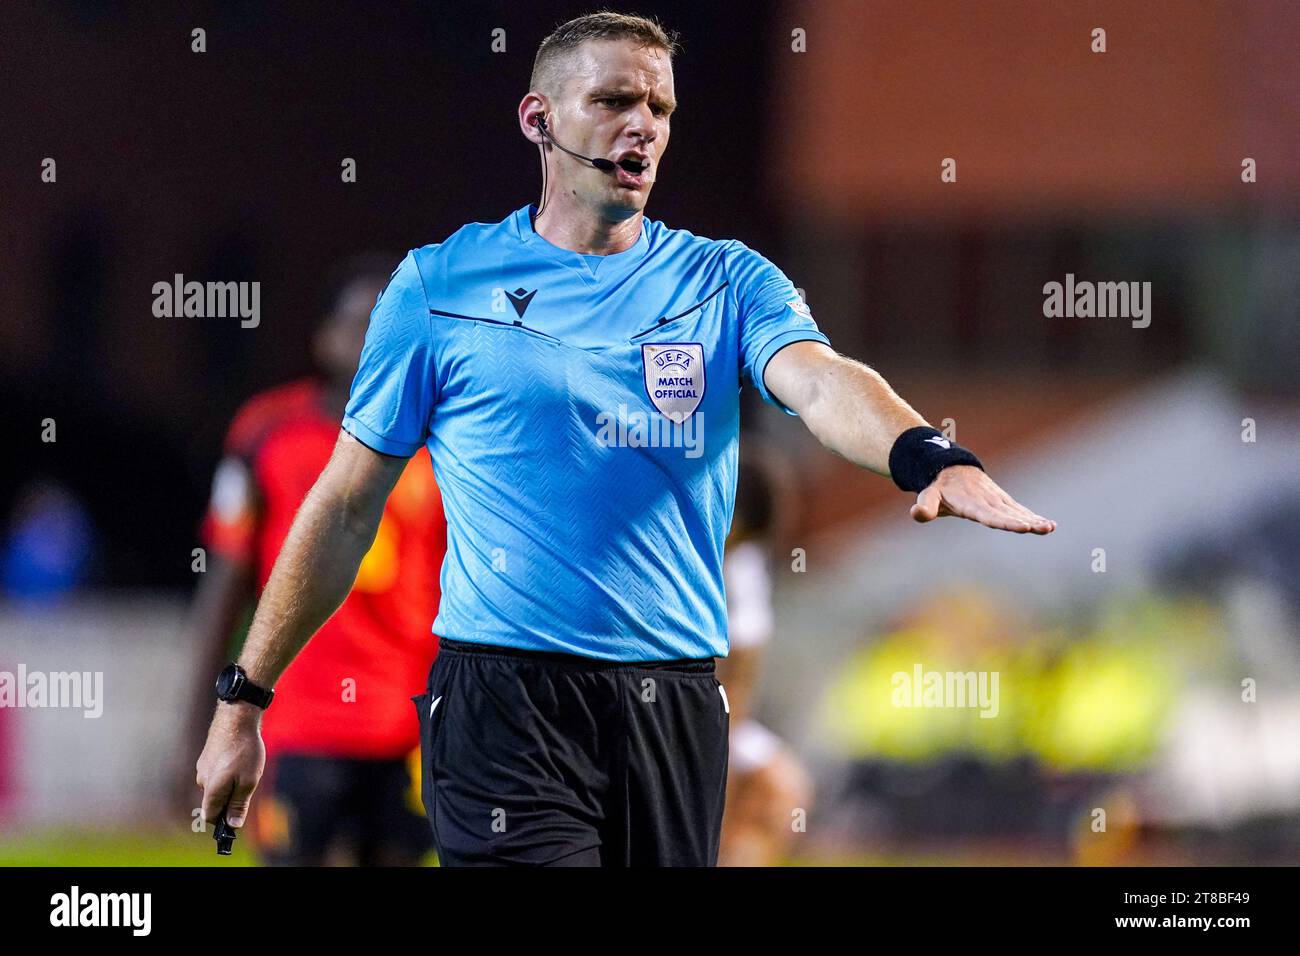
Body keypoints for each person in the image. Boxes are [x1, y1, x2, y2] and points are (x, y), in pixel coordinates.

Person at [196, 11, 1055, 868]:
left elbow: (821, 379)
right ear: (539, 121)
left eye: (661, 107)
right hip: (504, 699)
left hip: (674, 697)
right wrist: (243, 700)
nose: (642, 125)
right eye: (613, 100)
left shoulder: (726, 280)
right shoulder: (439, 287)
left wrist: (922, 452)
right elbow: (345, 506)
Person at [187, 257, 445, 865]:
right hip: (295, 724)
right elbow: (224, 588)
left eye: (394, 324)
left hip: (406, 723)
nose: (376, 341)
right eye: (362, 325)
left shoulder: (447, 438)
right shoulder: (267, 431)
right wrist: (200, 726)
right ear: (323, 338)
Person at [716, 445, 814, 866]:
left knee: (778, 787)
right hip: (624, 707)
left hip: (700, 716)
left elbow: (738, 678)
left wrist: (718, 759)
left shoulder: (741, 568)